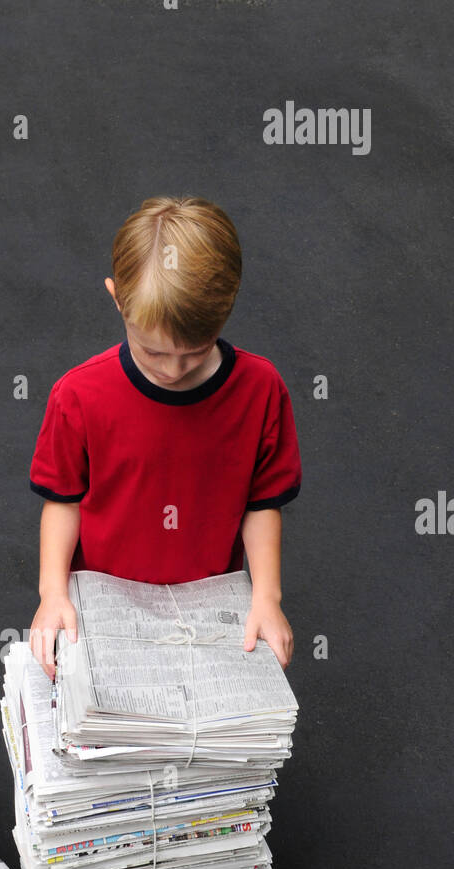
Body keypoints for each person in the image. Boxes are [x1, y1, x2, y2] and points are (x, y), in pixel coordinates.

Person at [28, 195, 301, 678]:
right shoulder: (78, 394)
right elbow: (63, 500)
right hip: (107, 600)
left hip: (206, 604)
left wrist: (267, 598)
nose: (173, 370)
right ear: (116, 299)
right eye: (153, 352)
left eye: (194, 352)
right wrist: (53, 592)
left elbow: (263, 503)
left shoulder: (261, 390)